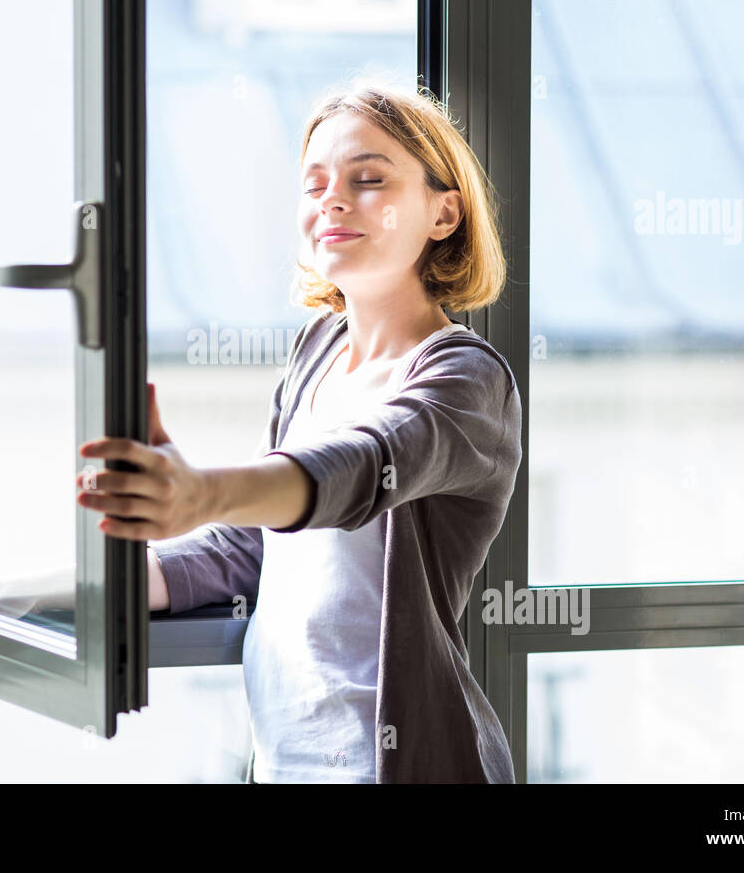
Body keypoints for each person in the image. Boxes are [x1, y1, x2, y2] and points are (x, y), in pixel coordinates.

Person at [76, 80, 523, 783]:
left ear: (444, 213)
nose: (333, 201)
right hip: (287, 763)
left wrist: (205, 491)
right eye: (314, 185)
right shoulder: (317, 350)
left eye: (368, 179)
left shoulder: (467, 377)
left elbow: (359, 468)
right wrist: (104, 583)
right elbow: (254, 543)